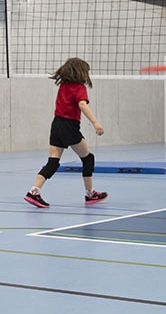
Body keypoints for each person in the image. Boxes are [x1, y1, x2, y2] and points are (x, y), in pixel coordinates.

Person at [24, 57, 107, 208]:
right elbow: (82, 104)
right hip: (69, 126)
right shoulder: (79, 87)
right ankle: (90, 194)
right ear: (81, 72)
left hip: (56, 125)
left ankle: (34, 191)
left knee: (53, 161)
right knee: (88, 159)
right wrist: (95, 122)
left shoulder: (63, 86)